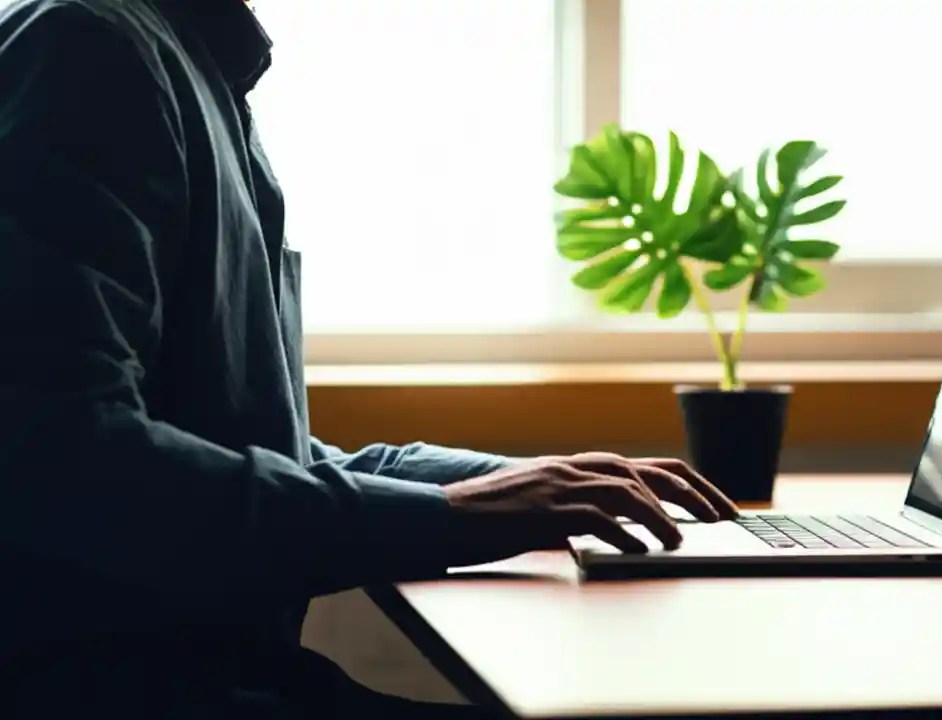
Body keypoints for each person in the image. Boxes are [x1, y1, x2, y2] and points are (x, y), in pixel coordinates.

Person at [0, 0, 737, 717]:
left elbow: (247, 442)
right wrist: (450, 515)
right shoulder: (87, 50)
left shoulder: (188, 64)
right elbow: (64, 458)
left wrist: (526, 486)